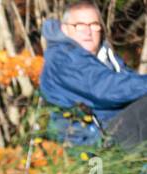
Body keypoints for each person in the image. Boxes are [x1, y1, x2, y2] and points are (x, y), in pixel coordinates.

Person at [39, 1, 147, 149]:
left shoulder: (104, 55)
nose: (88, 31)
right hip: (90, 146)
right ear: (65, 29)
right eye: (80, 25)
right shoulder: (63, 58)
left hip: (112, 131)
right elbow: (107, 89)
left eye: (93, 24)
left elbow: (129, 82)